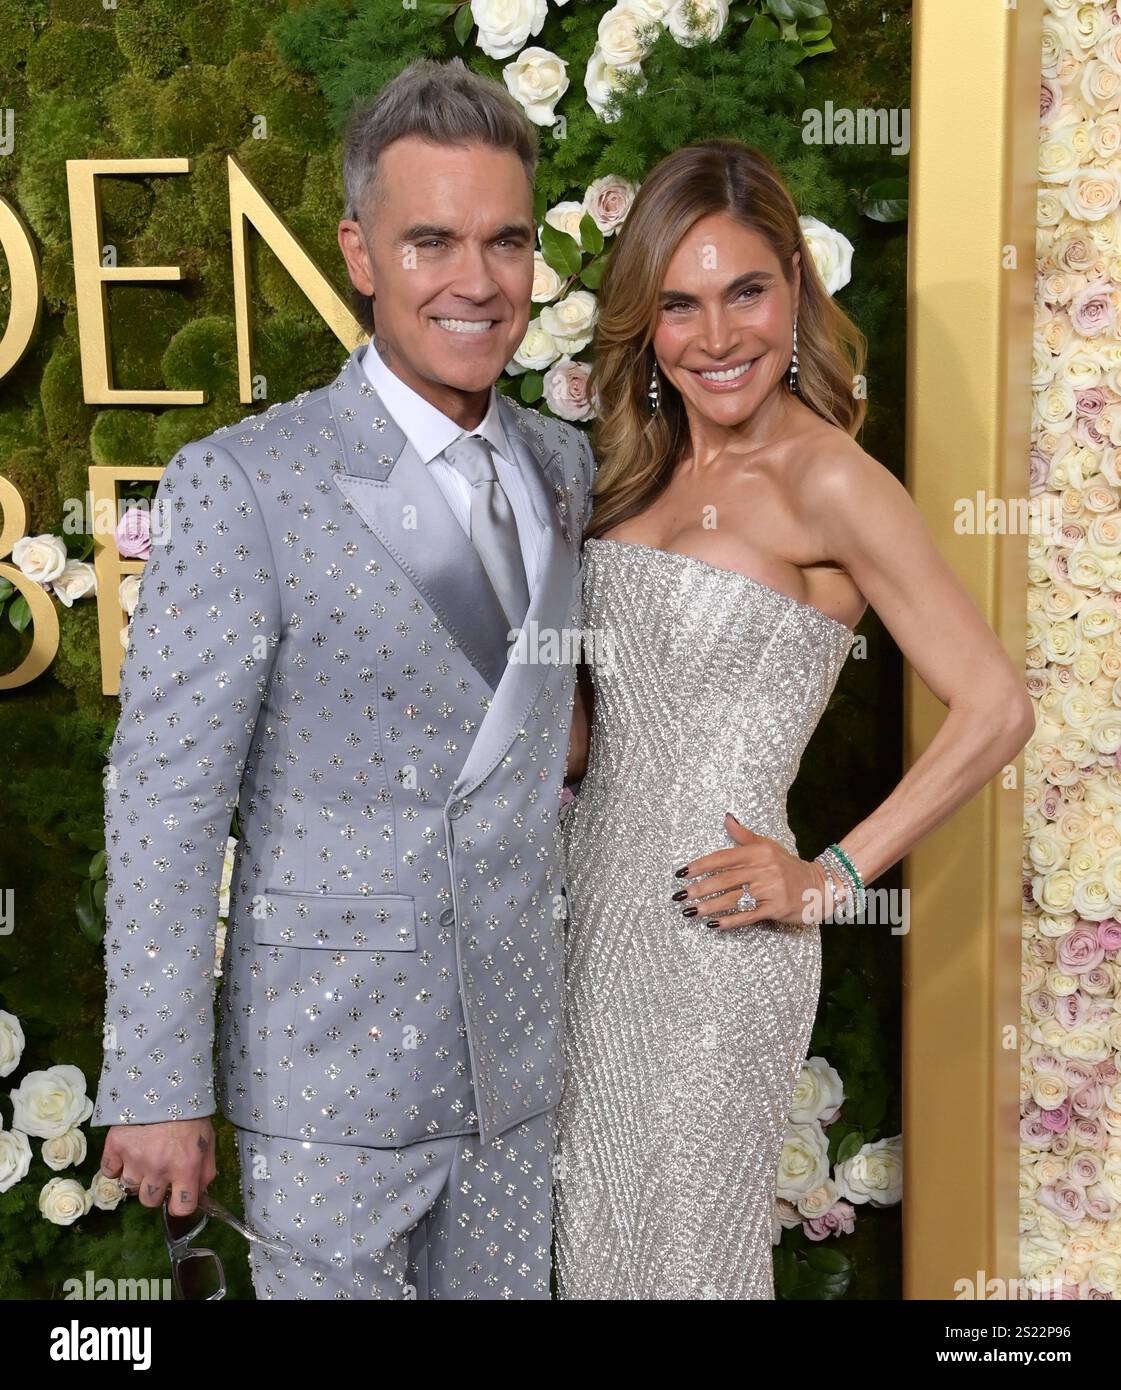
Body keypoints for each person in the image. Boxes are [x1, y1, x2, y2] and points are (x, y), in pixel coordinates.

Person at [92, 57, 594, 1300]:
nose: (475, 282)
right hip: (329, 1073)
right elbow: (165, 799)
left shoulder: (564, 465)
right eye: (431, 240)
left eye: (506, 241)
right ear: (359, 253)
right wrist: (157, 1081)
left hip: (518, 1071)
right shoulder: (249, 479)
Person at [554, 138, 1035, 1300]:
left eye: (743, 293)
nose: (714, 337)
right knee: (588, 1253)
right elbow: (600, 722)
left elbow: (995, 704)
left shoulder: (830, 480)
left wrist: (828, 874)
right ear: (644, 324)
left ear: (794, 293)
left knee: (683, 1265)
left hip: (720, 947)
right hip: (587, 925)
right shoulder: (632, 469)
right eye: (677, 304)